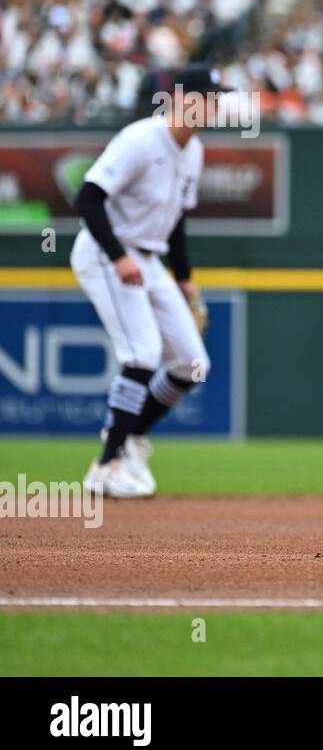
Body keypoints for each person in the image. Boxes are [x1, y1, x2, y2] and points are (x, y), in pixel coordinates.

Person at [72, 66, 230, 497]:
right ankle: (105, 466)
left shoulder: (192, 150)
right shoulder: (141, 139)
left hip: (151, 258)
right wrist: (119, 256)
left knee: (193, 363)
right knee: (142, 353)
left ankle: (129, 438)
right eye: (209, 97)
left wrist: (185, 279)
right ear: (184, 100)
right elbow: (87, 198)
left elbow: (176, 222)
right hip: (108, 253)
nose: (216, 105)